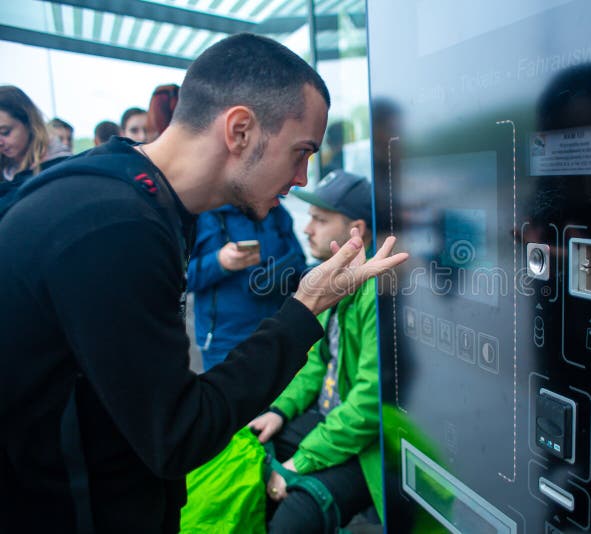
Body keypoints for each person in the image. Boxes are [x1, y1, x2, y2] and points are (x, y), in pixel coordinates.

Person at [0, 33, 406, 534]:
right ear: (239, 130)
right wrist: (306, 308)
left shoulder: (132, 194)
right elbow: (179, 434)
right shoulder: (113, 227)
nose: (302, 178)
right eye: (300, 152)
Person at [249, 170, 383, 532]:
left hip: (366, 443)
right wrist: (279, 409)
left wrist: (301, 463)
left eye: (320, 220)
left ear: (358, 229)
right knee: (246, 454)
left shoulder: (376, 293)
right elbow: (314, 363)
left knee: (294, 517)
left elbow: (370, 403)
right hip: (329, 419)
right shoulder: (333, 277)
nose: (307, 229)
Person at [187, 201, 308, 371]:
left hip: (276, 333)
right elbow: (179, 278)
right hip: (224, 342)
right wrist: (219, 262)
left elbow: (298, 265)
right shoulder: (202, 214)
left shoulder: (276, 211)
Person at [0, 86, 71, 187]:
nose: (0, 142)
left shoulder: (59, 167)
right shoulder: (5, 171)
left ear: (29, 123)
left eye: (5, 132)